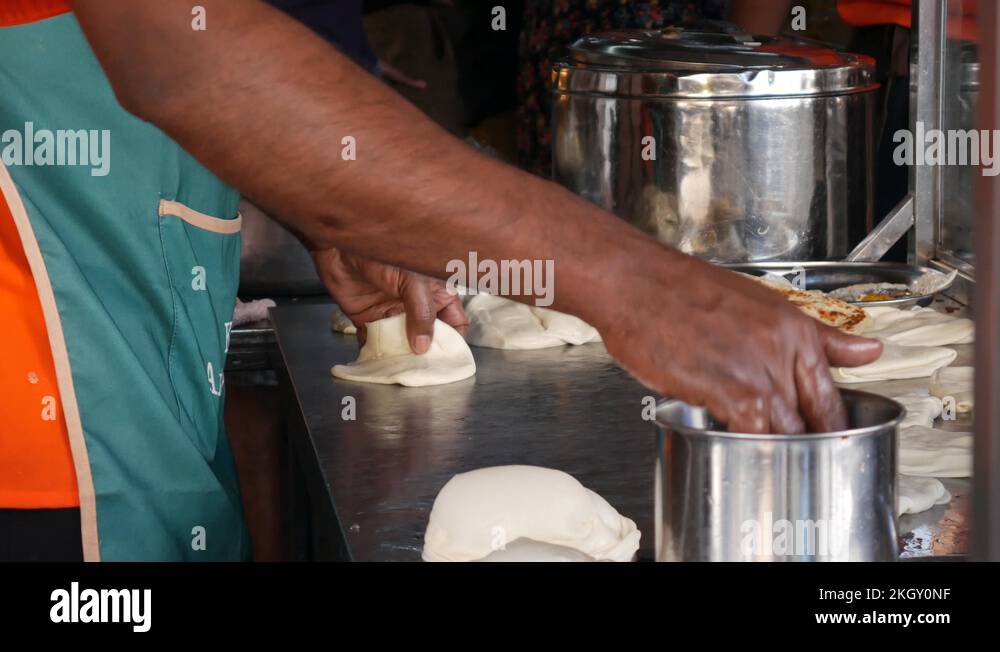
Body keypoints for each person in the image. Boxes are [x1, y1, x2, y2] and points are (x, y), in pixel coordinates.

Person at [0, 0, 881, 561]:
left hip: (140, 391)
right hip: (36, 434)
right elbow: (174, 50)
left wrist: (325, 207)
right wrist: (637, 283)